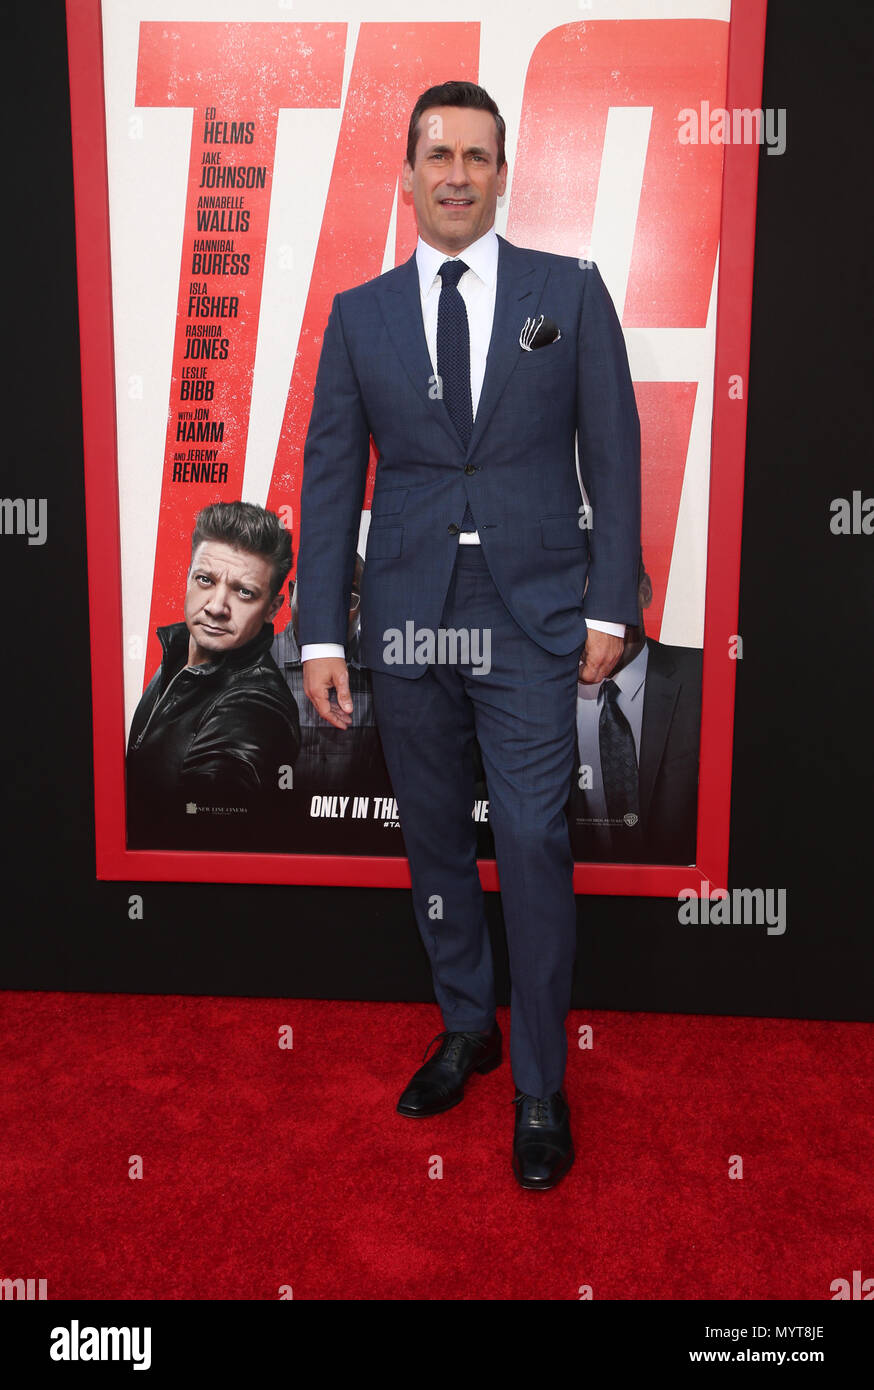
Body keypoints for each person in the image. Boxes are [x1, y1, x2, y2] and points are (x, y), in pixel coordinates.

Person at [296, 82, 641, 1190]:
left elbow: (615, 455)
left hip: (530, 616)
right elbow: (331, 473)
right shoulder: (361, 315)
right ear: (405, 173)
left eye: (477, 156)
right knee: (437, 835)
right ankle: (466, 1025)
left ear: (503, 174)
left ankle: (539, 1077)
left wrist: (608, 603)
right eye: (437, 154)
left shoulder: (569, 294)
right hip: (406, 617)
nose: (456, 173)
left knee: (533, 839)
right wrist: (317, 633)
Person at [126, 501, 301, 851]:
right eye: (205, 580)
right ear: (188, 576)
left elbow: (204, 834)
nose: (217, 606)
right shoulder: (179, 652)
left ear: (273, 608)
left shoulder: (254, 707)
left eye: (244, 592)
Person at [569, 556, 703, 865]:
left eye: (605, 593)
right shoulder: (532, 695)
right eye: (578, 595)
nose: (594, 618)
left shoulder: (703, 678)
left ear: (644, 591)